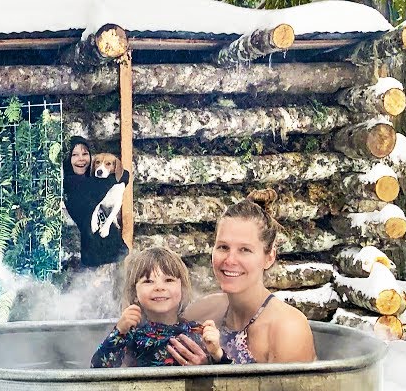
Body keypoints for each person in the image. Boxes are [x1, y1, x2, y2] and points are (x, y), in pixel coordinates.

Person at [167, 193, 317, 365]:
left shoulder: (288, 329)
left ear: (269, 257)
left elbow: (296, 385)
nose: (230, 260)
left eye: (245, 250)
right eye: (223, 247)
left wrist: (207, 372)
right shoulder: (202, 312)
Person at [91, 247, 225, 368]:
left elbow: (229, 377)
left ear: (182, 289)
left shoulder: (196, 331)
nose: (159, 287)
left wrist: (216, 354)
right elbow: (97, 371)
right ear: (135, 294)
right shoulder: (131, 334)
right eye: (148, 281)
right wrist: (119, 331)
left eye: (169, 280)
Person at [63, 136, 130, 270]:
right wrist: (117, 177)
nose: (81, 159)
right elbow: (121, 177)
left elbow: (124, 174)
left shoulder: (92, 178)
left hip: (115, 254)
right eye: (75, 155)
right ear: (67, 159)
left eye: (85, 154)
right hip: (90, 261)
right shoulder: (71, 182)